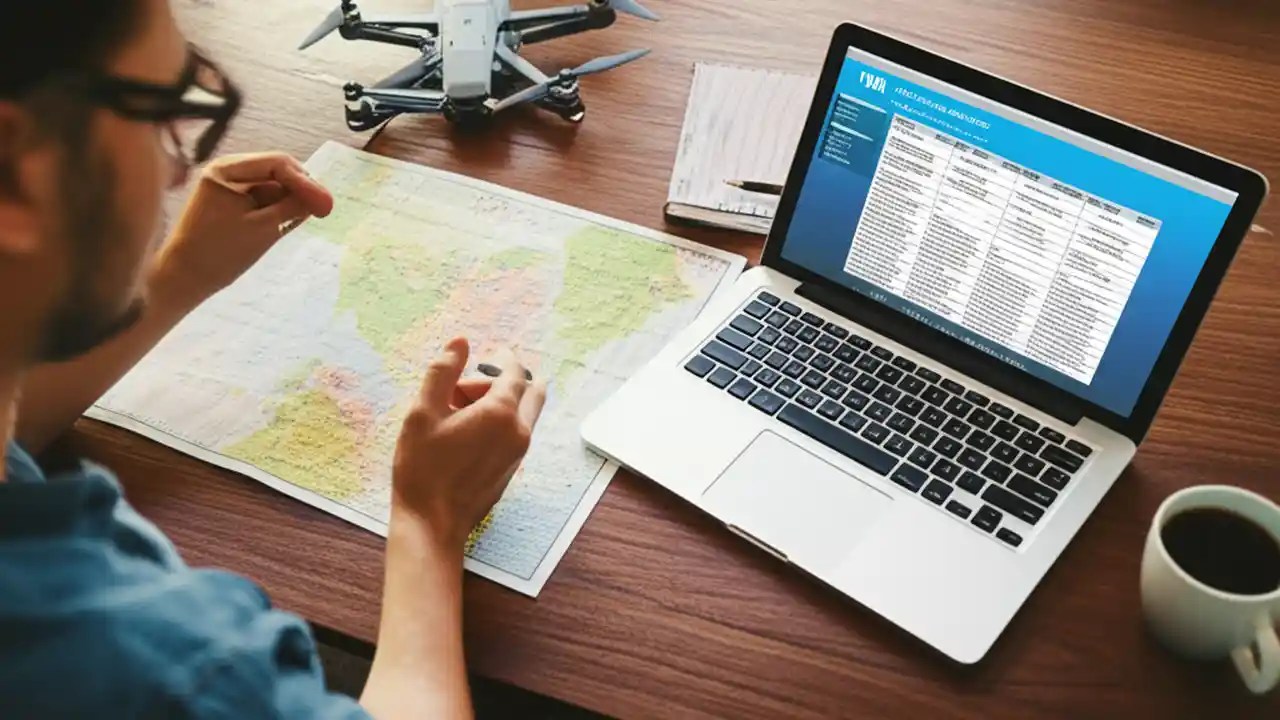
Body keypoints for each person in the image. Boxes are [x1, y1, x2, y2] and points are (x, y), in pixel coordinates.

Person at [0, 0, 547, 717]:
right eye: (163, 108)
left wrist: (176, 279)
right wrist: (429, 520)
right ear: (14, 171)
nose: (175, 172)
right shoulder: (164, 667)